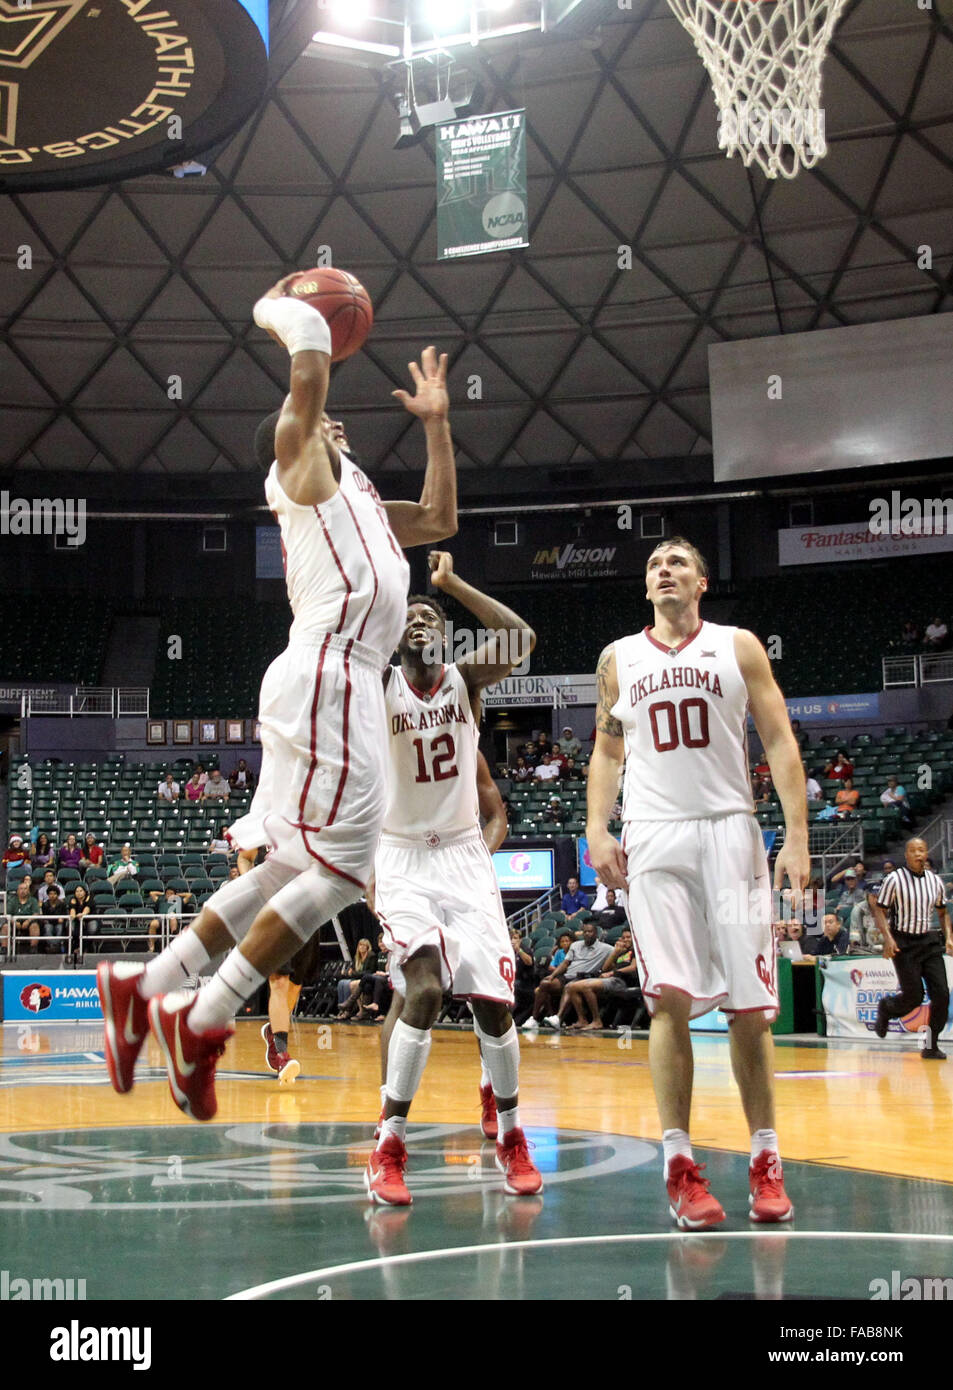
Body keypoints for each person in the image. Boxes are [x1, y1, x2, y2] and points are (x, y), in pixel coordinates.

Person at [97, 273, 457, 1121]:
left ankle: (144, 988)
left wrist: (438, 426)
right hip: (332, 673)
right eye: (324, 418)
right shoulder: (298, 463)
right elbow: (304, 373)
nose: (335, 421)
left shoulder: (360, 494)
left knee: (297, 867)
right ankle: (206, 1020)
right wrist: (279, 306)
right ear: (298, 437)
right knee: (340, 871)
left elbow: (440, 517)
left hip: (335, 681)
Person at [586, 537, 806, 1230]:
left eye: (676, 563)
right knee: (667, 998)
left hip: (732, 834)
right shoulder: (618, 658)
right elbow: (606, 749)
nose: (664, 572)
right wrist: (596, 829)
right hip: (654, 837)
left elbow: (777, 740)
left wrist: (794, 836)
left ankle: (764, 1158)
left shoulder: (737, 646)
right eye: (654, 566)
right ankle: (678, 1164)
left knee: (750, 1007)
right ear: (645, 586)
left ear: (701, 582)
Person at [366, 554, 541, 1204]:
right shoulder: (375, 686)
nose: (418, 621)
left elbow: (521, 639)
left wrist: (451, 584)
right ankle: (388, 1145)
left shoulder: (464, 682)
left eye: (429, 617)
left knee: (495, 1006)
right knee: (423, 988)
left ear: (442, 635)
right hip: (402, 857)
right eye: (407, 616)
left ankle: (512, 1135)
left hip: (464, 855)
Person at [872, 837, 952, 1059]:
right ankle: (887, 1008)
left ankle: (930, 1045)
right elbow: (879, 910)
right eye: (913, 850)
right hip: (903, 942)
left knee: (942, 995)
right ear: (906, 855)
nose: (918, 854)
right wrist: (888, 939)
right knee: (914, 997)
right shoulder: (894, 879)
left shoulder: (935, 881)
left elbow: (943, 913)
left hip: (928, 941)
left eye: (922, 850)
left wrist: (949, 938)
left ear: (926, 854)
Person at [523, 920, 612, 1031]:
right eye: (585, 932)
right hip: (568, 975)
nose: (587, 934)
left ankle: (558, 1018)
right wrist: (553, 975)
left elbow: (614, 960)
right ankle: (534, 1019)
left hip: (584, 977)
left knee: (569, 986)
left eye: (590, 932)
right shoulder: (575, 945)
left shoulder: (607, 948)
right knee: (545, 983)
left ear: (596, 933)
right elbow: (565, 963)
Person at [564, 926, 640, 1030]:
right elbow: (605, 968)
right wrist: (615, 952)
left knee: (586, 987)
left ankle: (597, 1021)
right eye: (623, 938)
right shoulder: (622, 952)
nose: (626, 940)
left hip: (623, 981)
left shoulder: (636, 950)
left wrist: (613, 972)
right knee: (572, 986)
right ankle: (582, 1020)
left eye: (628, 937)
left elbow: (633, 967)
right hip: (611, 980)